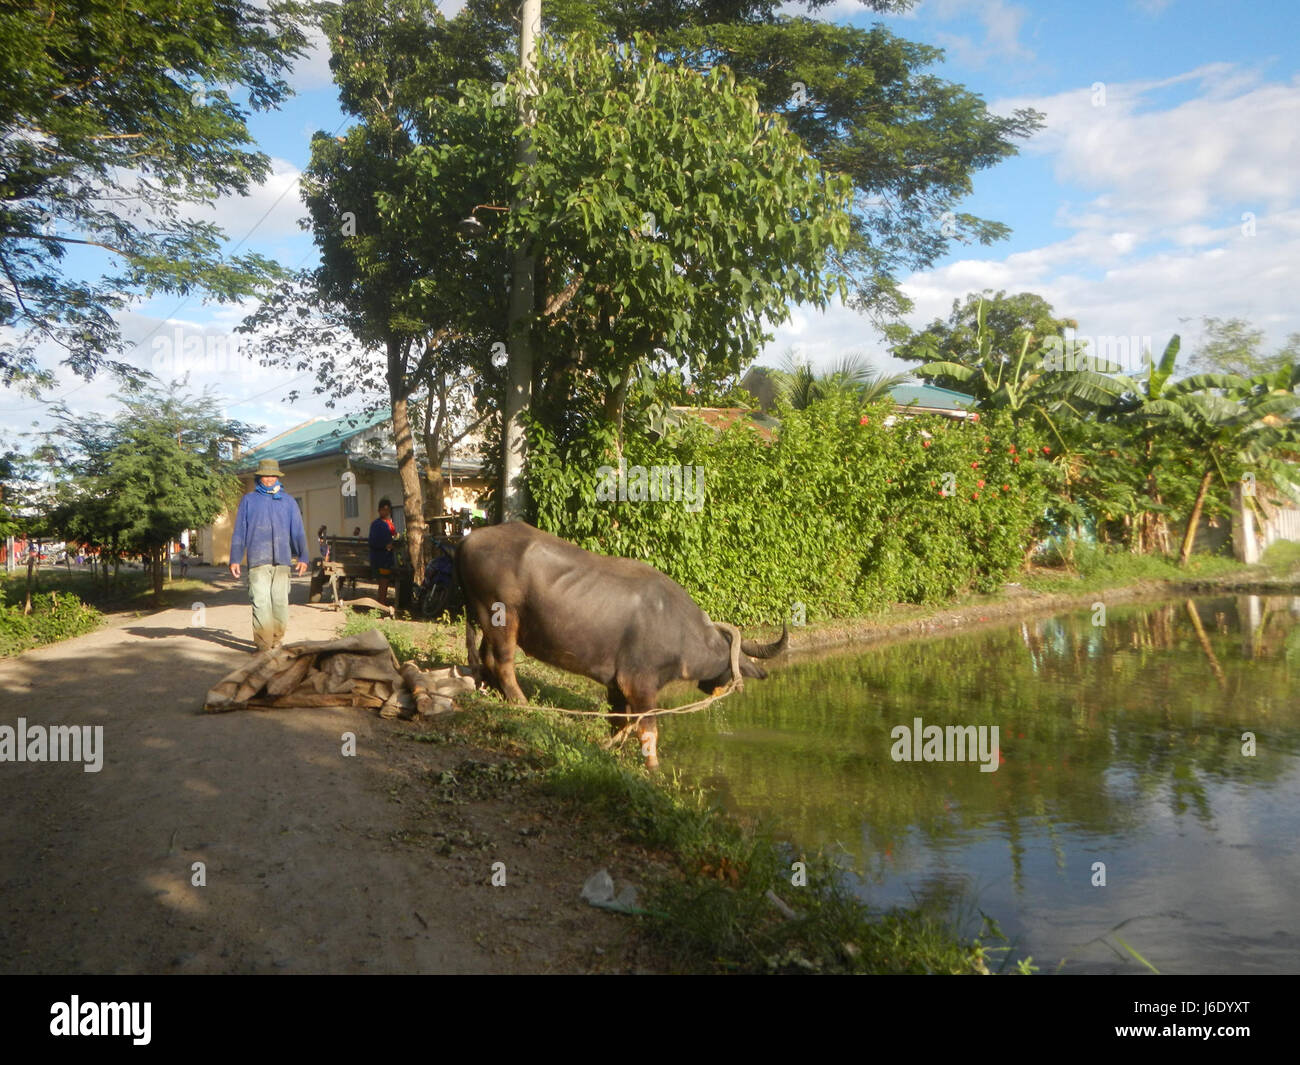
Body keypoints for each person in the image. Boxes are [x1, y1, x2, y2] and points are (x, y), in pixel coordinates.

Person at [228, 458, 308, 652]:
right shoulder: (249, 500)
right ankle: (263, 645)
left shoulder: (288, 501)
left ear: (277, 477)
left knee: (280, 603)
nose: (269, 479)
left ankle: (276, 639)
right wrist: (235, 558)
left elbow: (297, 531)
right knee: (261, 603)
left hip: (282, 561)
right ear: (259, 477)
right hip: (257, 560)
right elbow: (240, 530)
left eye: (273, 475)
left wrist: (303, 556)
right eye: (266, 476)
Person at [368, 498, 399, 607]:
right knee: (383, 582)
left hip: (387, 559)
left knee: (385, 582)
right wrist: (385, 546)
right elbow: (372, 542)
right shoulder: (376, 524)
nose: (385, 512)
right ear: (379, 511)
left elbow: (393, 537)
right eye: (383, 510)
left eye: (387, 510)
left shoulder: (390, 524)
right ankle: (381, 604)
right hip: (379, 559)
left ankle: (381, 603)